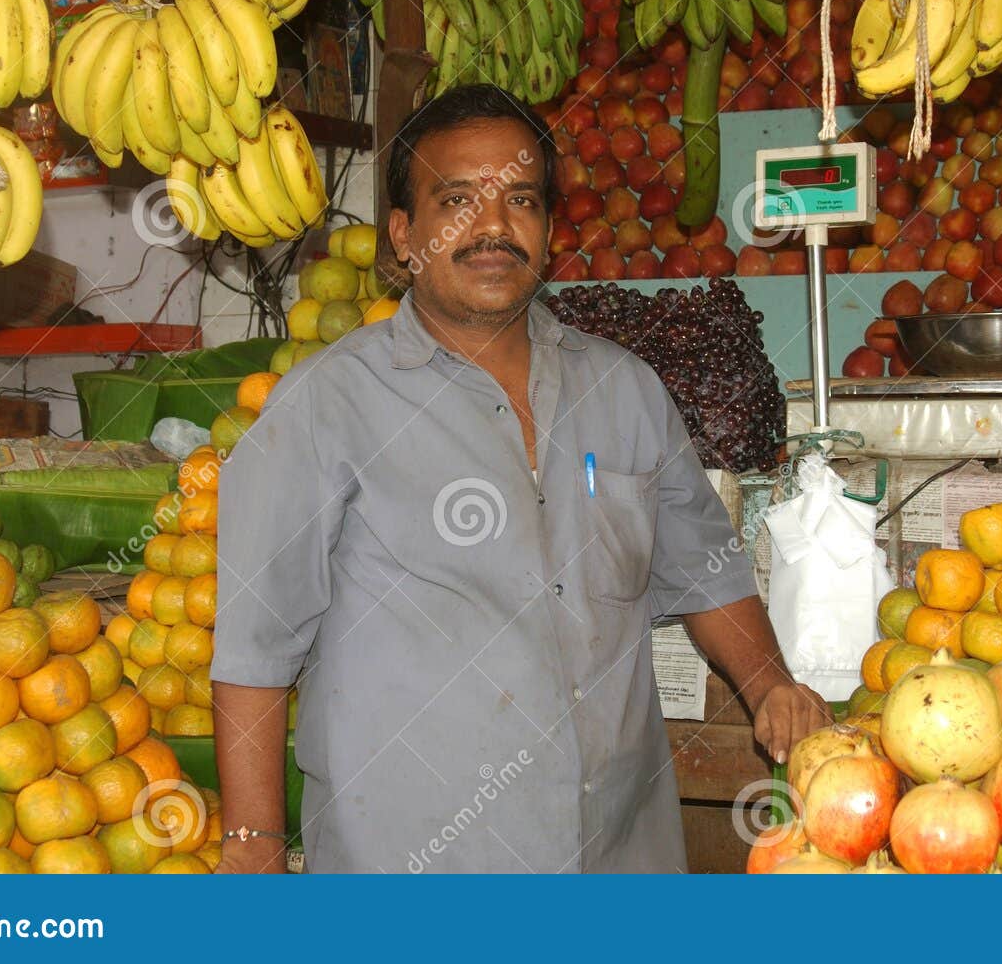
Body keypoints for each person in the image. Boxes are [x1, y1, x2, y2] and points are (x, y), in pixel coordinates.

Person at [211, 84, 829, 873]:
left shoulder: (624, 389)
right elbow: (256, 650)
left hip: (618, 857)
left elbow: (706, 565)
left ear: (545, 230)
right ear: (404, 235)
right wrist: (253, 845)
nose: (493, 226)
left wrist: (770, 681)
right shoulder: (325, 407)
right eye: (458, 200)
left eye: (521, 199)